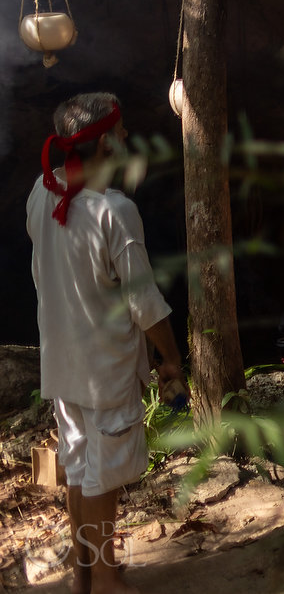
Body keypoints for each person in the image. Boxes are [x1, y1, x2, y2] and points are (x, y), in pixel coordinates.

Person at [27, 92, 185, 594]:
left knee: (77, 469)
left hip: (62, 366)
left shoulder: (40, 193)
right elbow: (144, 304)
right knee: (103, 479)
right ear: (104, 147)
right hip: (105, 371)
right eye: (120, 134)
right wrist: (171, 359)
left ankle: (87, 574)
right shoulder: (115, 212)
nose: (126, 140)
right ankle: (105, 582)